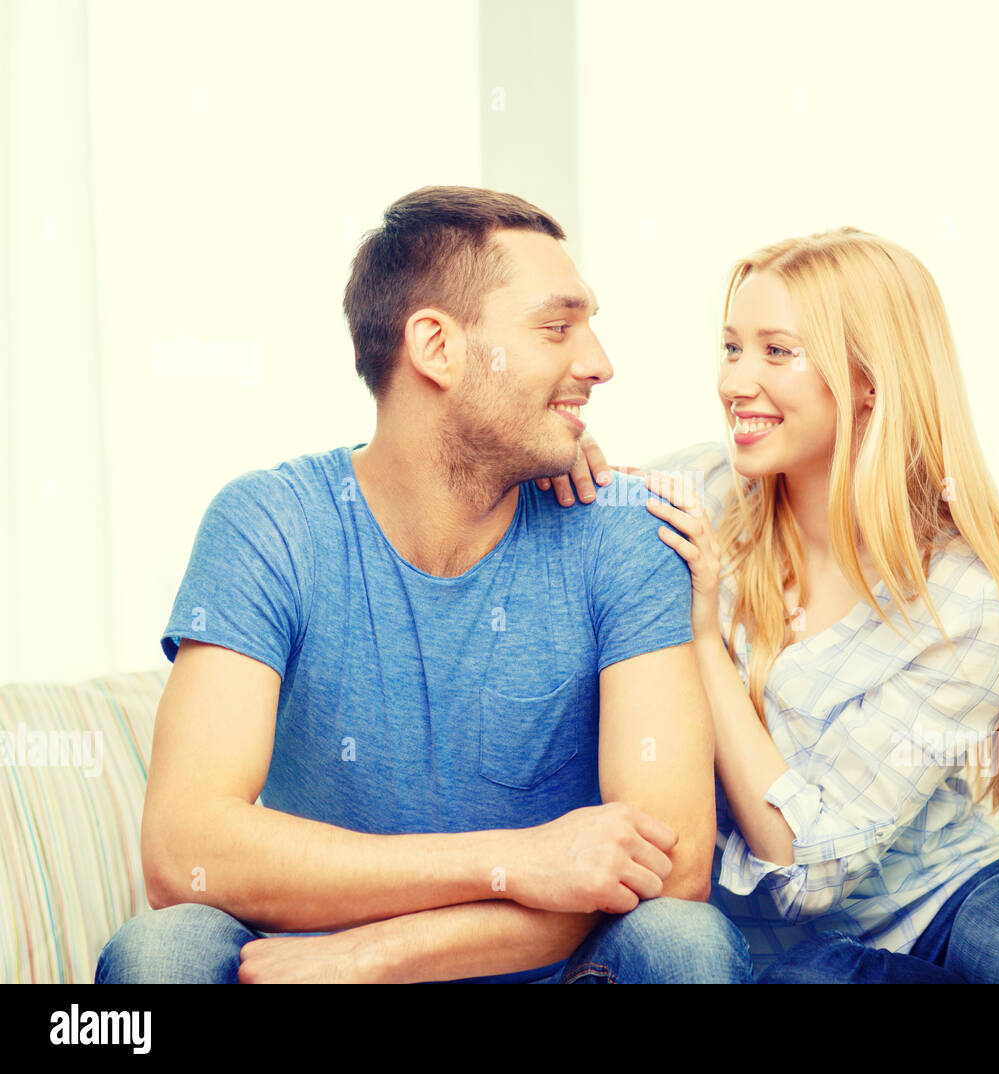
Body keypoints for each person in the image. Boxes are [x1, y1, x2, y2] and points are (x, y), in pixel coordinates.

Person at [541, 227, 999, 984]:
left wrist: (703, 641)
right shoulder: (697, 493)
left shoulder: (964, 602)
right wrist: (567, 463)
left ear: (869, 381)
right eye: (731, 348)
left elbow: (805, 863)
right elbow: (566, 520)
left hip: (947, 895)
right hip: (788, 948)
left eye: (777, 352)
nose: (736, 382)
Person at [94, 185, 751, 984]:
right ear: (436, 347)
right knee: (159, 952)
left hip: (524, 970)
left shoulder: (622, 532)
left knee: (682, 941)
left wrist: (378, 955)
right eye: (557, 327)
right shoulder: (269, 524)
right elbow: (185, 851)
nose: (599, 363)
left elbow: (671, 865)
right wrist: (517, 859)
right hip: (297, 969)